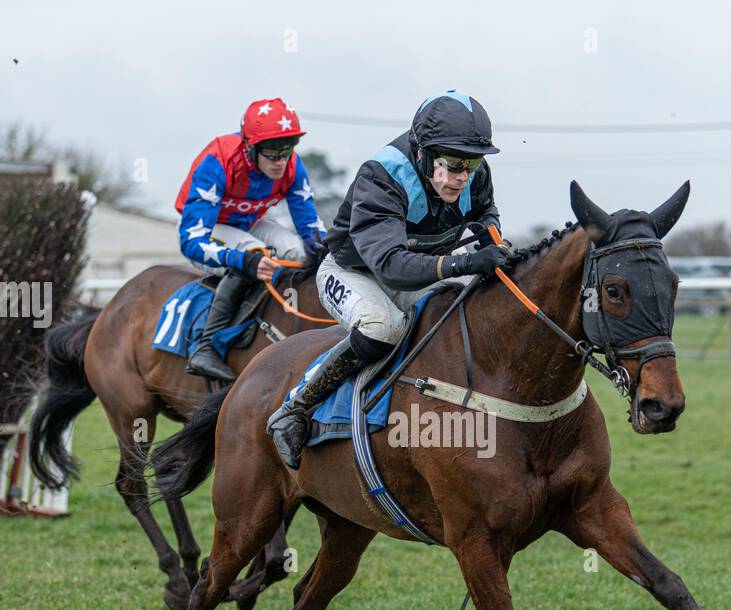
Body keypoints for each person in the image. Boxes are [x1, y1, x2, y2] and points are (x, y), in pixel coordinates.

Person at [267, 90, 512, 468]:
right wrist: (465, 263)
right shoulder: (381, 177)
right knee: (384, 328)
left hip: (414, 269)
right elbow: (392, 267)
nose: (463, 176)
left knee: (465, 312)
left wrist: (492, 237)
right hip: (354, 272)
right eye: (452, 164)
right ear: (423, 153)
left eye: (472, 163)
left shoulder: (472, 174)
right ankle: (296, 408)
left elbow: (485, 210)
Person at [174, 97, 327, 381]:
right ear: (250, 147)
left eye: (288, 150)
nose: (281, 162)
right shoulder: (217, 162)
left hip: (251, 223)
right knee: (254, 252)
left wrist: (331, 249)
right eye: (272, 154)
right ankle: (205, 347)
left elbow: (311, 230)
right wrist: (243, 260)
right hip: (207, 229)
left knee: (299, 251)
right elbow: (190, 242)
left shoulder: (292, 165)